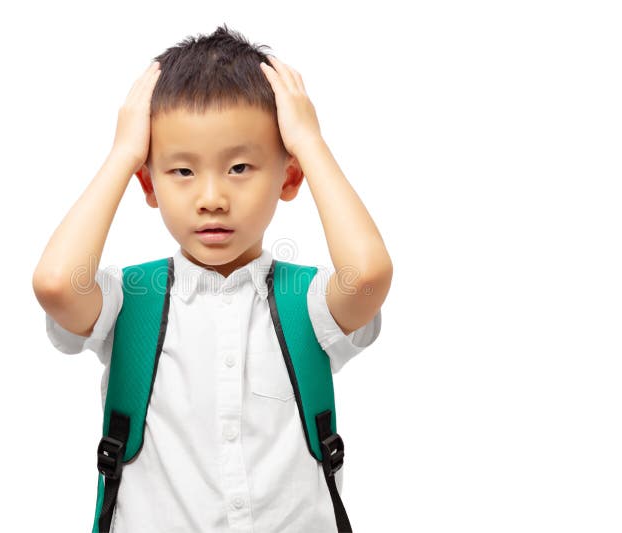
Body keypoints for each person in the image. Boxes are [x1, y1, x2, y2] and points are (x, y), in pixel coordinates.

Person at [32, 24, 392, 533]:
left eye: (240, 167)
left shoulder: (306, 303)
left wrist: (309, 143)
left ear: (288, 177)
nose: (211, 197)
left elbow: (369, 275)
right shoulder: (129, 302)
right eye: (181, 171)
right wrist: (122, 154)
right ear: (148, 182)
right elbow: (55, 285)